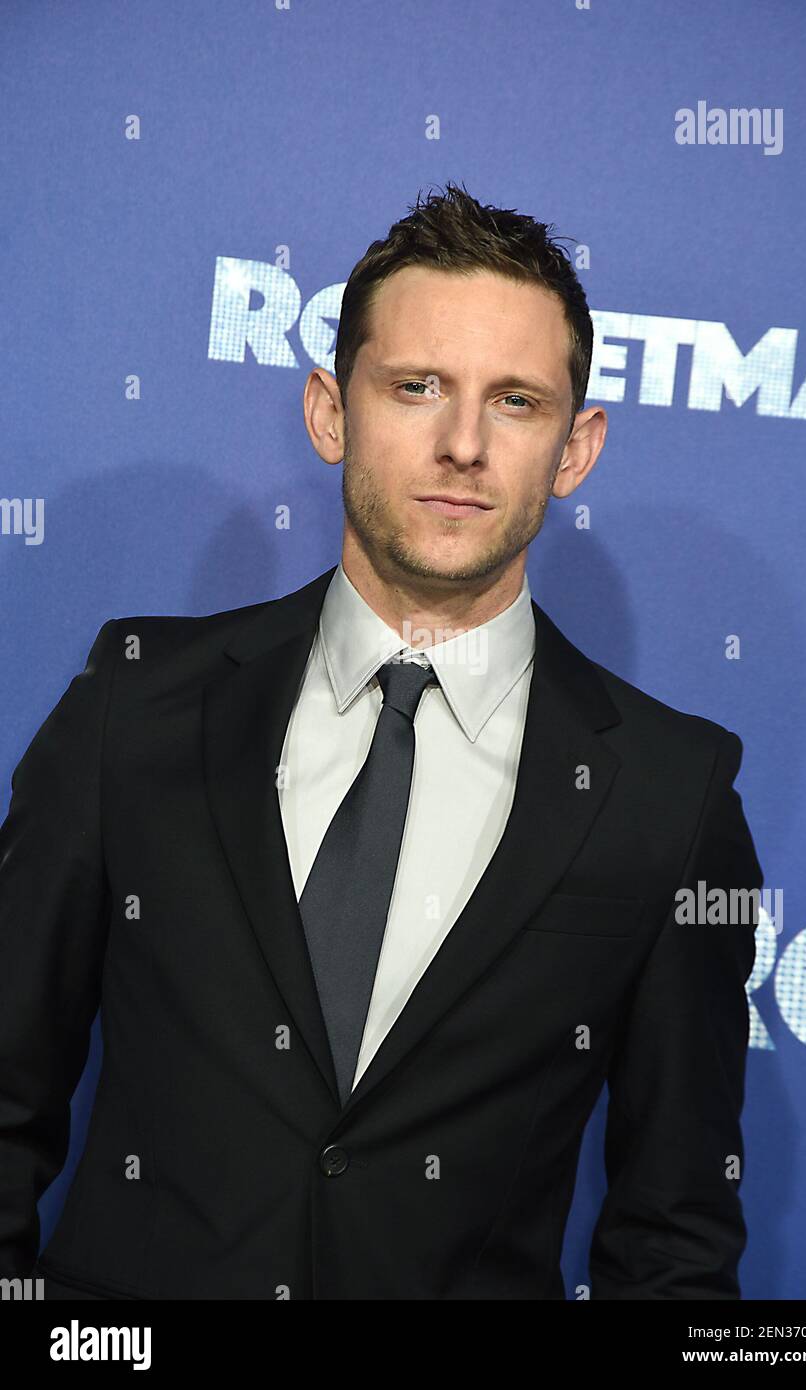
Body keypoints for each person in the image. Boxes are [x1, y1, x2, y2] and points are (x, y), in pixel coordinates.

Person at [0, 183, 763, 1300]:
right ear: (329, 411)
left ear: (576, 447)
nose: (462, 444)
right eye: (417, 387)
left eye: (514, 401)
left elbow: (676, 1234)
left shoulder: (669, 792)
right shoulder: (136, 708)